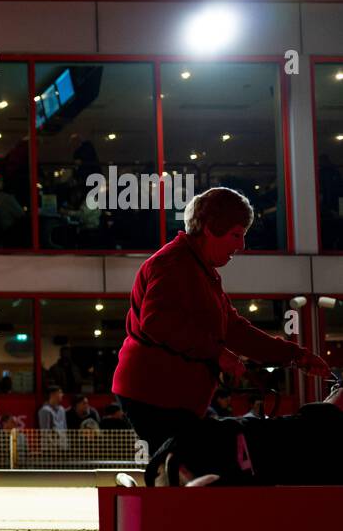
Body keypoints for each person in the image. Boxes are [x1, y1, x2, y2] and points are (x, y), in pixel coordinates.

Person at [112, 187, 330, 456]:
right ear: (210, 229)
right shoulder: (174, 264)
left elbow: (234, 329)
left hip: (160, 395)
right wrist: (217, 353)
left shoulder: (198, 268)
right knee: (189, 469)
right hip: (156, 395)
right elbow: (157, 323)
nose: (241, 246)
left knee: (187, 468)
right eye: (236, 235)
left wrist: (296, 356)